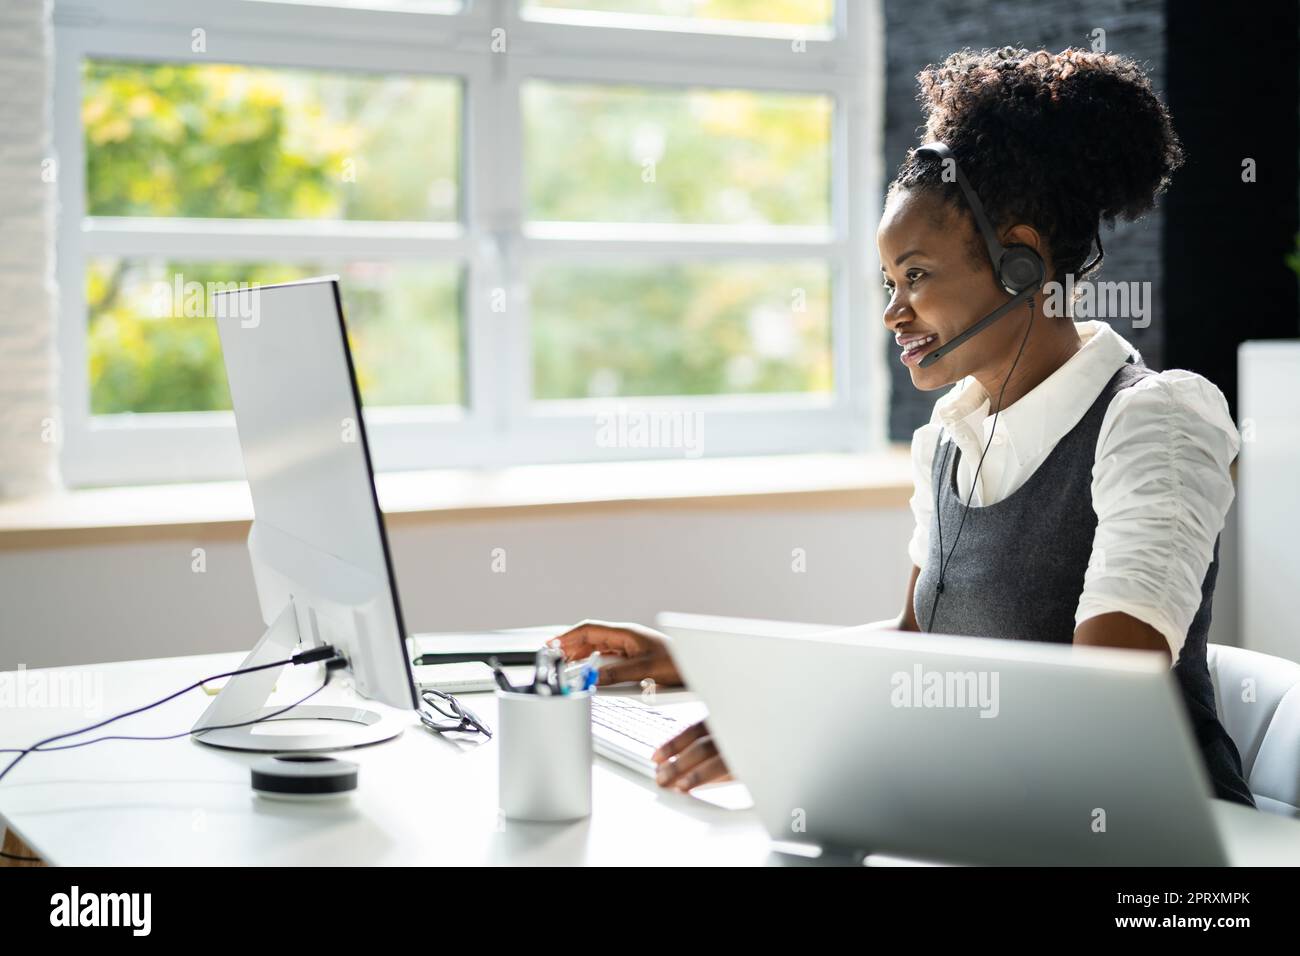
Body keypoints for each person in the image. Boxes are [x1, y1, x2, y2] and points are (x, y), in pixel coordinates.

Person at [555, 46, 1255, 807]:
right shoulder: (952, 437)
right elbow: (915, 650)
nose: (894, 312)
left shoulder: (1155, 419)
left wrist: (803, 726)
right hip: (1001, 823)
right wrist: (702, 664)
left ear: (1020, 264)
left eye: (916, 277)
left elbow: (1101, 705)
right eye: (889, 283)